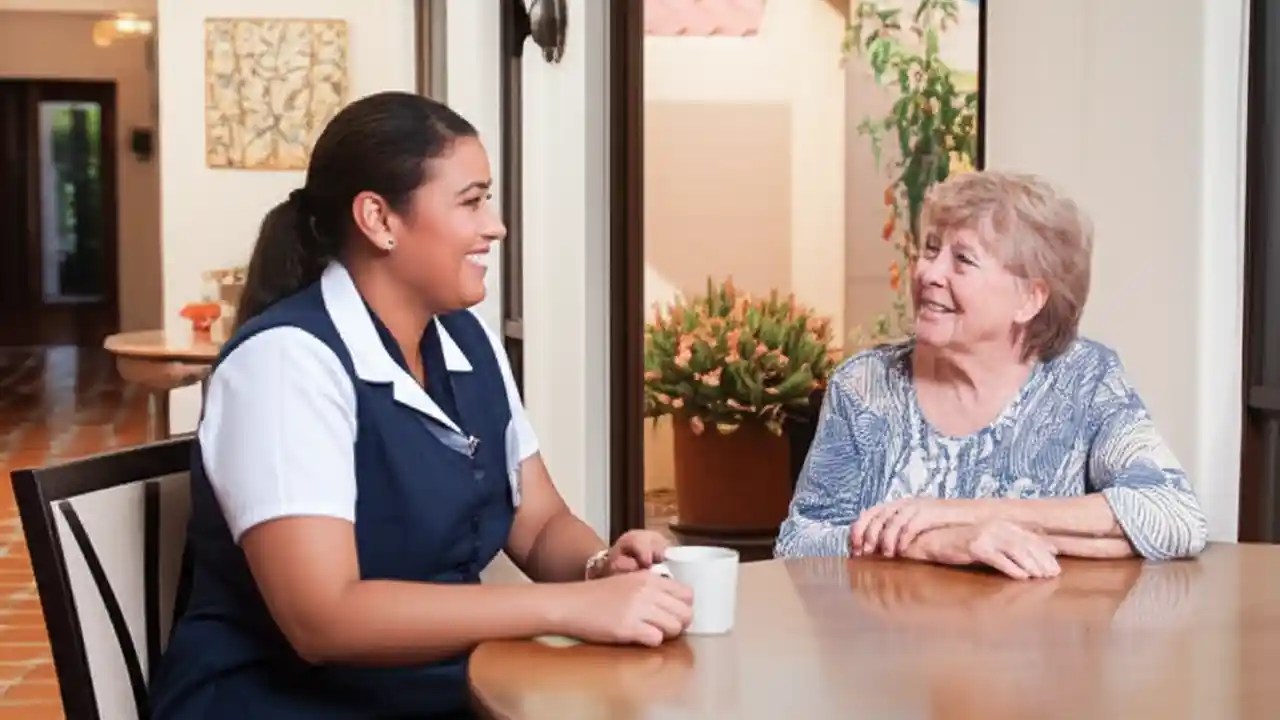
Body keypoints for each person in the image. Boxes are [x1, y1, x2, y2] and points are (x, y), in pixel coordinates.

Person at [150, 92, 692, 719]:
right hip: (280, 703)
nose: (495, 225)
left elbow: (539, 524)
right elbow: (323, 618)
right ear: (379, 219)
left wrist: (601, 568)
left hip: (436, 696)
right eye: (471, 201)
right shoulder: (285, 364)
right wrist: (568, 607)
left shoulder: (467, 340)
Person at [773, 170, 1208, 578]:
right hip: (893, 649)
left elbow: (1173, 514)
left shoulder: (1084, 380)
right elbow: (799, 544)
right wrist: (933, 543)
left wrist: (968, 513)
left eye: (962, 259)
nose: (929, 273)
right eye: (930, 249)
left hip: (1033, 649)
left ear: (1030, 299)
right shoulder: (865, 386)